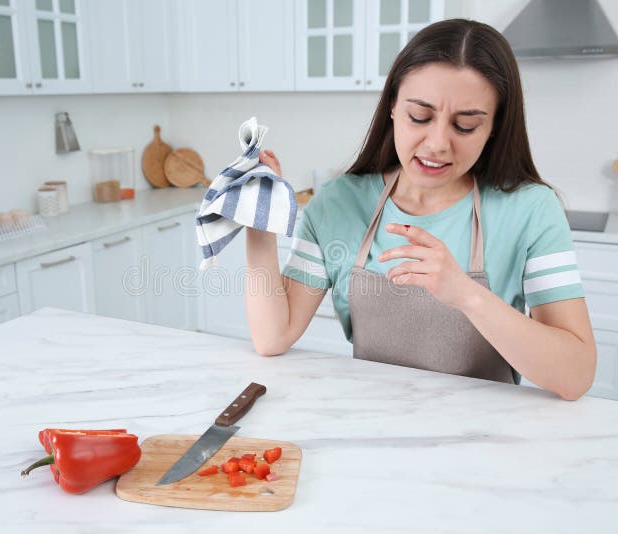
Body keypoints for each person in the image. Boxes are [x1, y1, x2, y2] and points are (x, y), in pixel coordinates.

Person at [245, 19, 596, 400]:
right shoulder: (339, 203)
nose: (437, 144)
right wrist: (260, 227)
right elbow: (272, 337)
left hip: (486, 441)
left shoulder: (529, 209)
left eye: (465, 126)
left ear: (494, 126)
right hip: (370, 424)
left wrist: (466, 294)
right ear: (393, 106)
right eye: (420, 117)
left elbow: (575, 376)